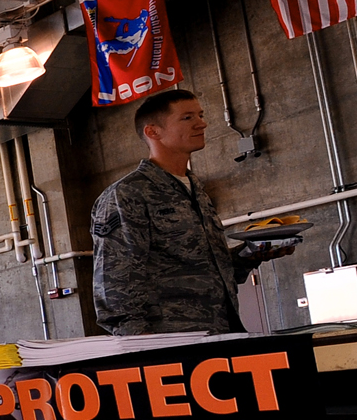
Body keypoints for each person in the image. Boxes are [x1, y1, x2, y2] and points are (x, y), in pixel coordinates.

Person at [92, 89, 296, 334]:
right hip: (170, 340)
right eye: (187, 118)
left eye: (200, 115)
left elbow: (204, 268)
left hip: (219, 330)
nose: (203, 123)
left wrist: (250, 254)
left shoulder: (194, 189)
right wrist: (141, 347)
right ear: (153, 131)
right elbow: (115, 280)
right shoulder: (128, 194)